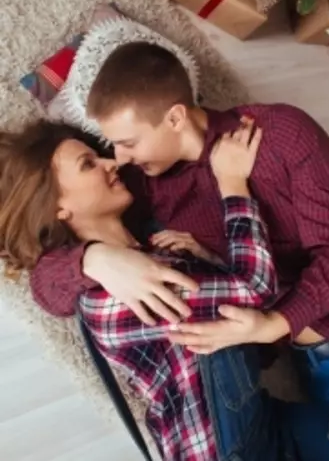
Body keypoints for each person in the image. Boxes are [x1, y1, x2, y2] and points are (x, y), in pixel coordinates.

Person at [26, 42, 329, 412]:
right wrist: (95, 259)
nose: (118, 159)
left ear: (174, 118)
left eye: (128, 143)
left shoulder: (282, 132)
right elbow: (47, 289)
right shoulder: (140, 188)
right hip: (322, 368)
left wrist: (274, 323)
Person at [0, 118, 296, 460]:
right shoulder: (116, 301)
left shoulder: (152, 247)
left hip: (261, 420)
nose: (112, 163)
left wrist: (205, 257)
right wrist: (232, 183)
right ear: (58, 208)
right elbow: (256, 289)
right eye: (88, 165)